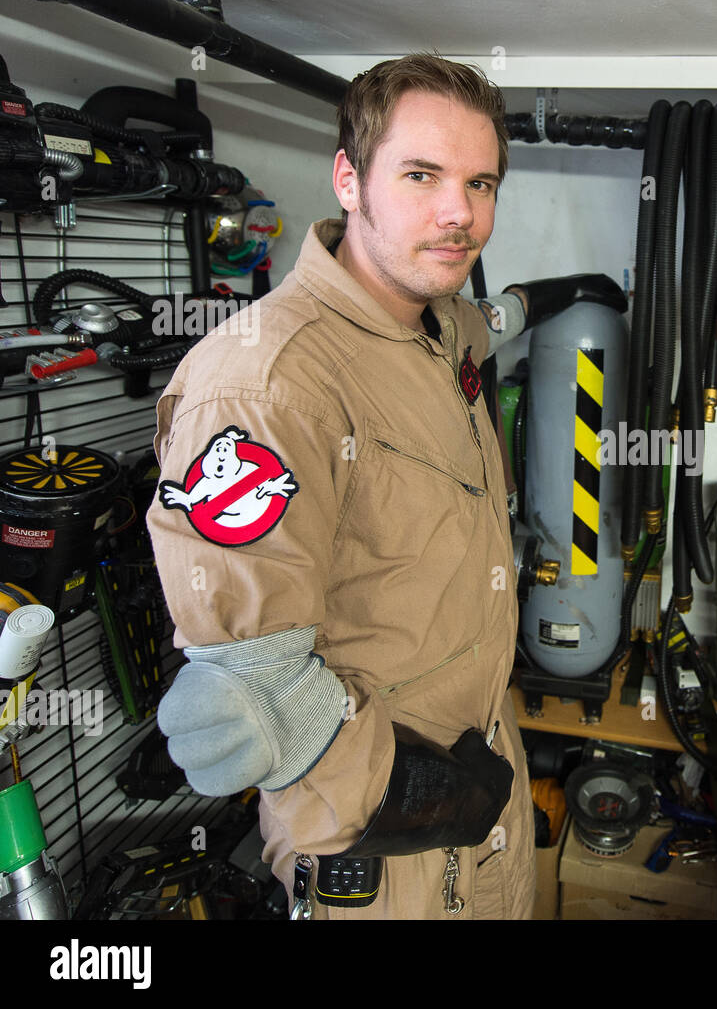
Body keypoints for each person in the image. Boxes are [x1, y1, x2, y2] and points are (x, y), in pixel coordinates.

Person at [146, 52, 623, 919]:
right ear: (348, 180)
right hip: (385, 846)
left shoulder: (444, 330)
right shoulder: (266, 387)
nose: (460, 215)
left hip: (490, 801)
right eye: (421, 175)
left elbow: (494, 317)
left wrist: (569, 295)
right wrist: (438, 794)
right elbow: (252, 701)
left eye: (481, 183)